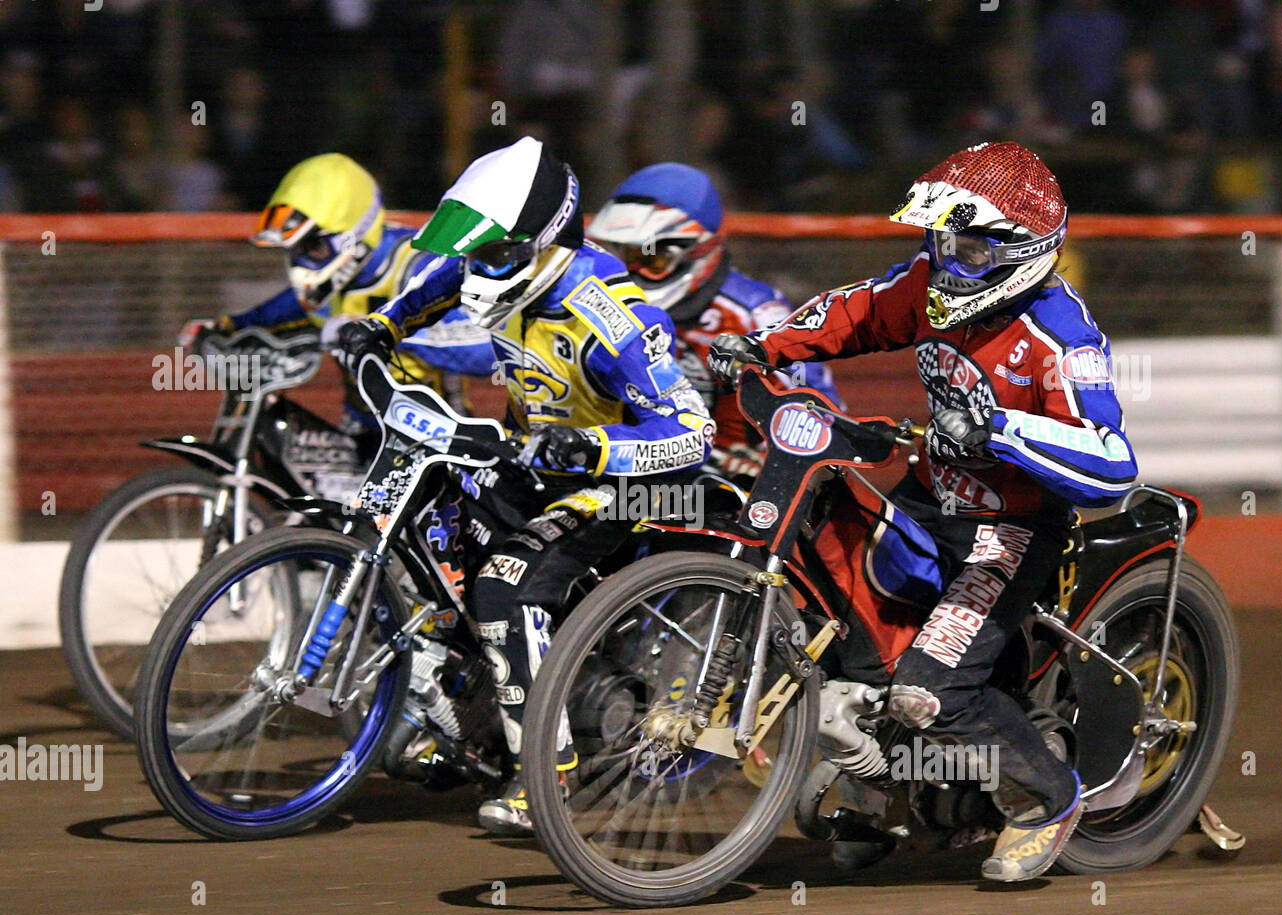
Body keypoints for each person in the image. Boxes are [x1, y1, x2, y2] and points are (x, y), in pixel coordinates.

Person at [709, 141, 1138, 882]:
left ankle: (1048, 798)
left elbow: (1113, 460)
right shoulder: (927, 282)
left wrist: (1000, 428)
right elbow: (856, 313)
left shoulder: (1061, 340)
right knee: (843, 614)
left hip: (1010, 531)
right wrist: (759, 348)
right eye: (942, 241)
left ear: (1022, 253)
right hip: (926, 496)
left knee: (926, 691)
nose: (948, 261)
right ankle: (885, 779)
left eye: (969, 248)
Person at [335, 137, 715, 836]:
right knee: (432, 510)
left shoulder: (616, 317)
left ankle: (546, 773)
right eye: (479, 255)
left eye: (497, 256)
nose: (479, 272)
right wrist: (383, 326)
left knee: (502, 585)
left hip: (629, 485)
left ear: (545, 244)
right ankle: (459, 703)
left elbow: (693, 433)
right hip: (542, 461)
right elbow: (448, 277)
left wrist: (588, 445)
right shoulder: (508, 266)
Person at [181, 152, 493, 427]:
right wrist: (227, 326)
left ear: (353, 235)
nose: (302, 263)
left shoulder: (419, 266)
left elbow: (486, 350)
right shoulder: (331, 283)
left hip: (436, 441)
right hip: (362, 429)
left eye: (312, 246)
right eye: (296, 249)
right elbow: (288, 308)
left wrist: (380, 332)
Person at [587, 161, 839, 482]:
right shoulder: (595, 306)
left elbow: (822, 416)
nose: (630, 273)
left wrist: (770, 457)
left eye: (650, 259)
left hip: (735, 488)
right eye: (621, 258)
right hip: (629, 465)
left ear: (698, 250)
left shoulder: (755, 314)